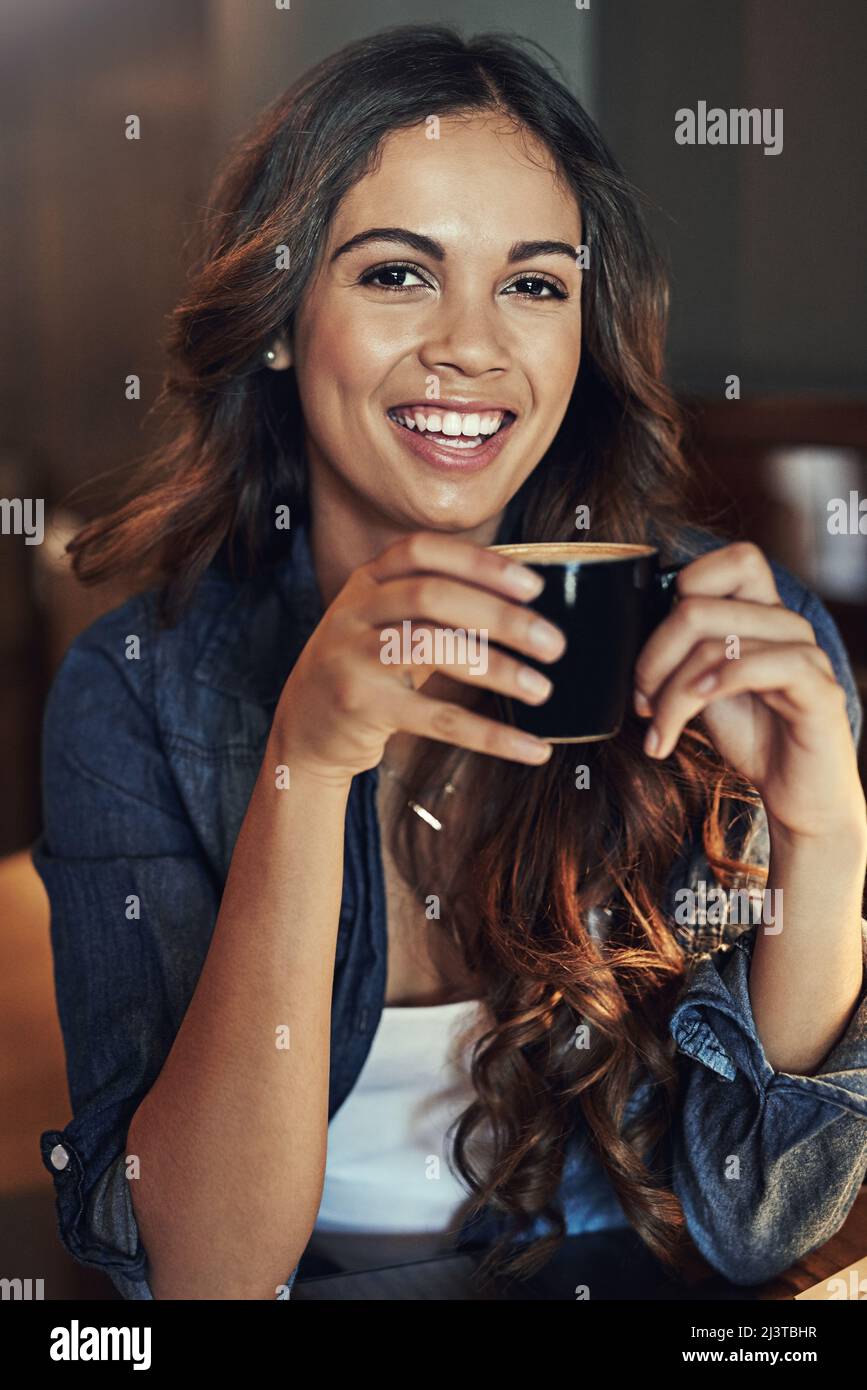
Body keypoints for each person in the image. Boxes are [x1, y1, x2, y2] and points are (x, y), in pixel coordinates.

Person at [35, 26, 867, 1301]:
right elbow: (202, 1276)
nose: (473, 347)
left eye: (534, 285)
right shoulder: (136, 688)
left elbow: (764, 1226)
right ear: (277, 317)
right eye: (397, 274)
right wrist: (305, 771)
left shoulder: (733, 638)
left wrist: (829, 838)